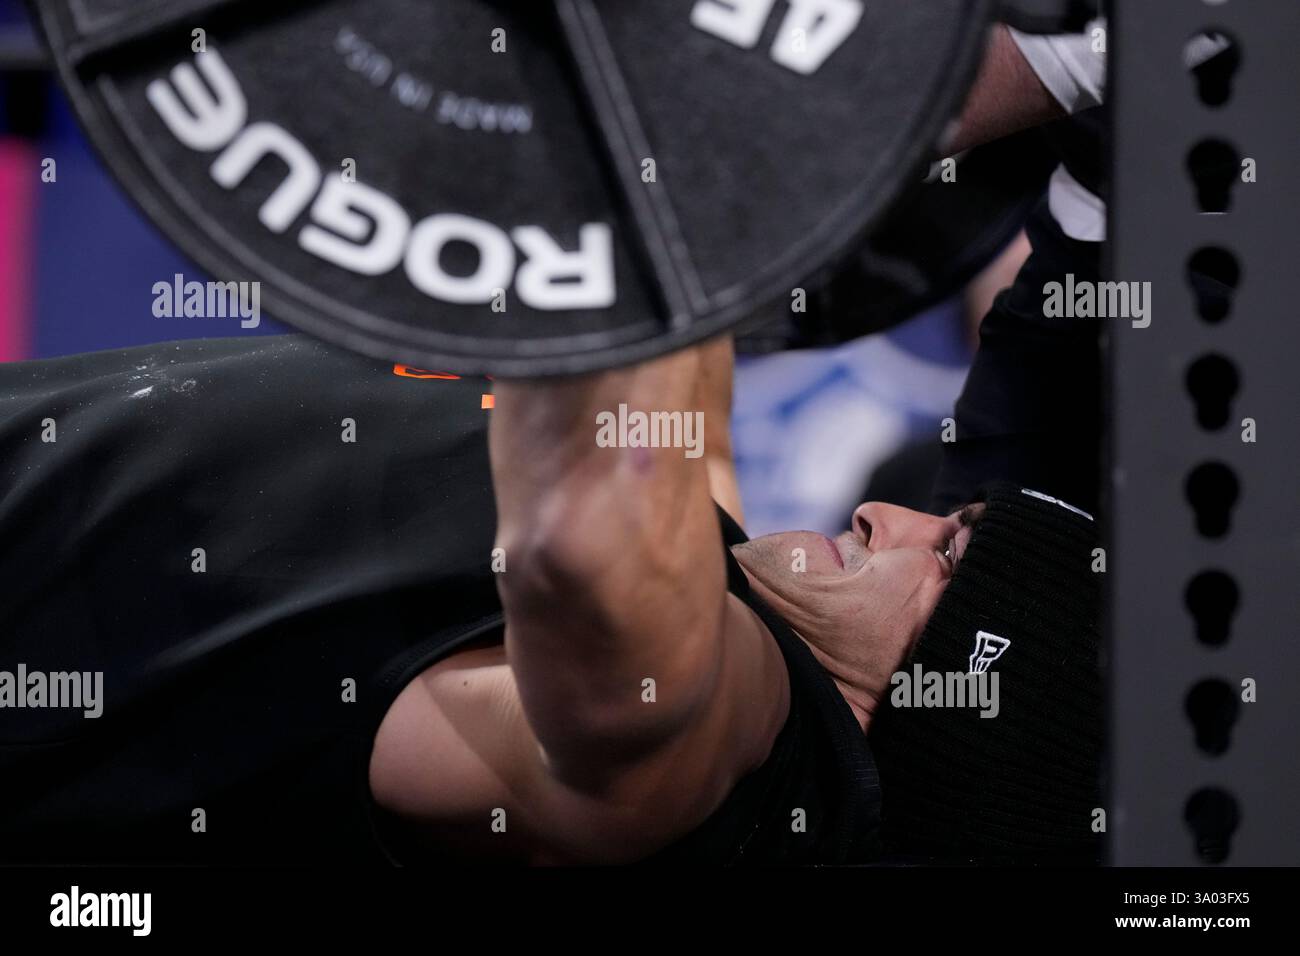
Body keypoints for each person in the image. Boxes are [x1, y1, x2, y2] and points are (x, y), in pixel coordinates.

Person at [0, 21, 1114, 866]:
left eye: (949, 559)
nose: (890, 513)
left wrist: (617, 105)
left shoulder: (715, 760)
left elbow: (590, 552)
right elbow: (685, 336)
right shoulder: (723, 590)